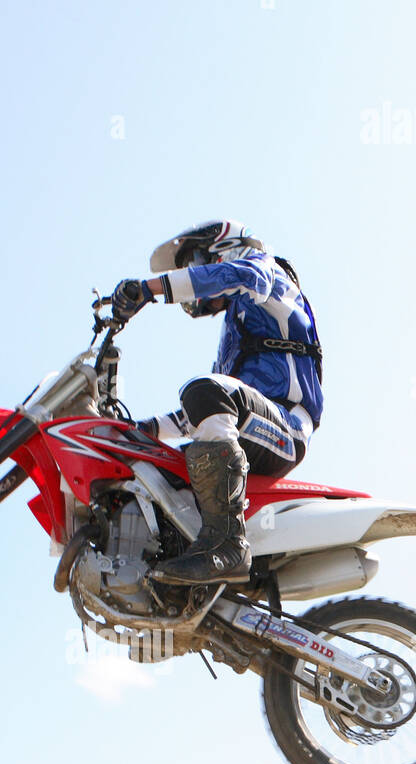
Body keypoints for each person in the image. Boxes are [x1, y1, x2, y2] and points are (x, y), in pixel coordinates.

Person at [110, 220, 323, 585]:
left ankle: (226, 544)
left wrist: (150, 288)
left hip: (285, 429)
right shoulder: (235, 332)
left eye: (192, 262)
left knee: (204, 388)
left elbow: (233, 275)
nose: (190, 272)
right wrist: (144, 430)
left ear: (225, 246)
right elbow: (202, 415)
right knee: (161, 467)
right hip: (250, 428)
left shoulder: (267, 274)